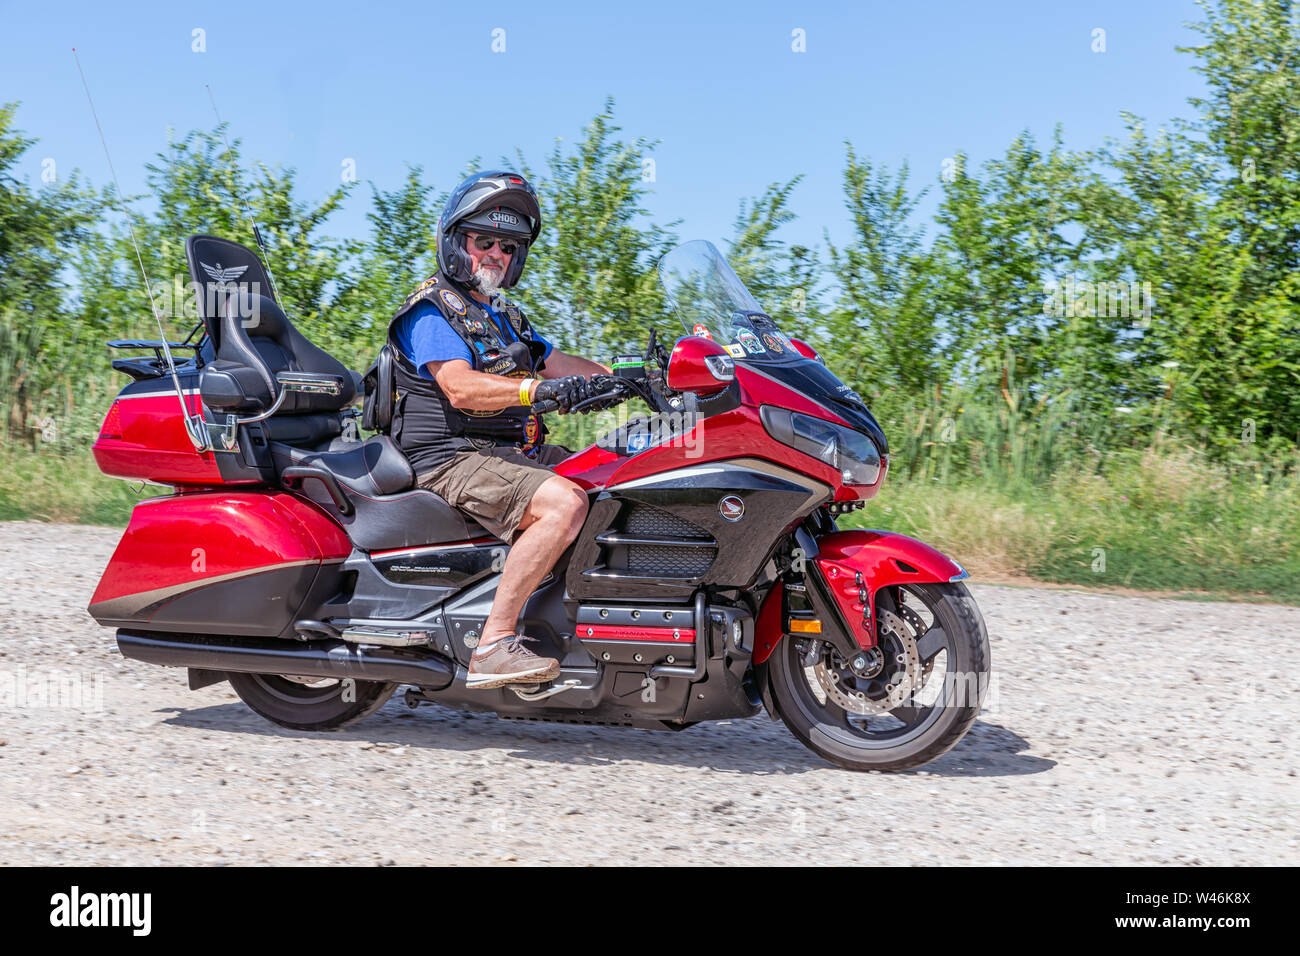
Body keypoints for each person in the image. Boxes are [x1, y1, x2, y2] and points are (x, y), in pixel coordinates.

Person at [386, 170, 613, 689]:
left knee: (616, 471)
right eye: (482, 240)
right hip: (448, 456)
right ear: (454, 243)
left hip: (506, 452)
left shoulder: (506, 317)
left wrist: (636, 380)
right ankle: (493, 643)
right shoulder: (431, 309)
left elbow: (562, 364)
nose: (495, 253)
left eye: (508, 245)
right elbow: (462, 388)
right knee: (564, 504)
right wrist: (537, 391)